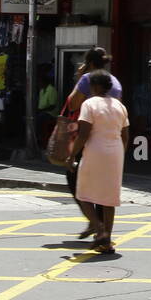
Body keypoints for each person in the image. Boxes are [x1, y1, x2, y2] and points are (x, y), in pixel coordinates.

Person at [67, 70, 129, 255]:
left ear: (94, 86)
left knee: (83, 194)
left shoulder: (89, 104)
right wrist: (119, 153)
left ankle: (99, 229)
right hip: (116, 152)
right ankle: (107, 241)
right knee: (109, 198)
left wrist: (72, 155)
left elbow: (84, 133)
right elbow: (125, 135)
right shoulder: (119, 106)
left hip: (95, 151)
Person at [61, 47, 123, 206]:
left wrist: (80, 77)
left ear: (89, 63)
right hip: (112, 140)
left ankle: (94, 222)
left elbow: (73, 104)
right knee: (104, 184)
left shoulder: (87, 79)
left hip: (88, 139)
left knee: (75, 178)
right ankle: (102, 226)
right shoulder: (115, 82)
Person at [37, 63, 59, 150]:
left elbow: (52, 106)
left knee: (40, 118)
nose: (38, 84)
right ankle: (38, 138)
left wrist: (42, 110)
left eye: (40, 82)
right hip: (43, 112)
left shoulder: (51, 90)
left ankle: (41, 139)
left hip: (51, 114)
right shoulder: (42, 90)